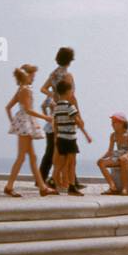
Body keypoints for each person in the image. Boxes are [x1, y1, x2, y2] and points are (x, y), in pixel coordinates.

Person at [4, 65, 55, 197]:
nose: (34, 78)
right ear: (28, 76)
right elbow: (28, 110)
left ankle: (42, 187)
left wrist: (14, 123)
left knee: (32, 157)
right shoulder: (26, 90)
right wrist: (46, 117)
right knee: (21, 157)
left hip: (24, 124)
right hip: (26, 124)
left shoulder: (21, 89)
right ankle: (9, 186)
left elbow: (8, 108)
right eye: (33, 75)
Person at [40, 47, 77, 187]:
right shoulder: (68, 76)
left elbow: (43, 88)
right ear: (70, 60)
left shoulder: (54, 74)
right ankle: (68, 181)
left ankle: (43, 178)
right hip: (66, 111)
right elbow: (72, 96)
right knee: (68, 149)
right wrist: (77, 114)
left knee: (52, 148)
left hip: (55, 109)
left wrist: (53, 95)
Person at [53, 77, 91, 195]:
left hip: (60, 138)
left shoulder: (57, 107)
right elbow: (78, 122)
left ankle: (53, 180)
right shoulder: (70, 107)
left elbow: (55, 124)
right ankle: (72, 187)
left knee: (61, 163)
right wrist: (87, 135)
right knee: (72, 163)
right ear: (67, 92)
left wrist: (56, 137)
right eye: (71, 91)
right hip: (70, 139)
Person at [97, 114, 128, 195]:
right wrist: (101, 158)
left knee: (123, 159)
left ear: (121, 123)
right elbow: (110, 151)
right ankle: (112, 186)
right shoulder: (113, 135)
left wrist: (126, 156)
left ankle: (125, 188)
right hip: (118, 158)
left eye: (114, 122)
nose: (112, 125)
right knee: (101, 162)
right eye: (112, 122)